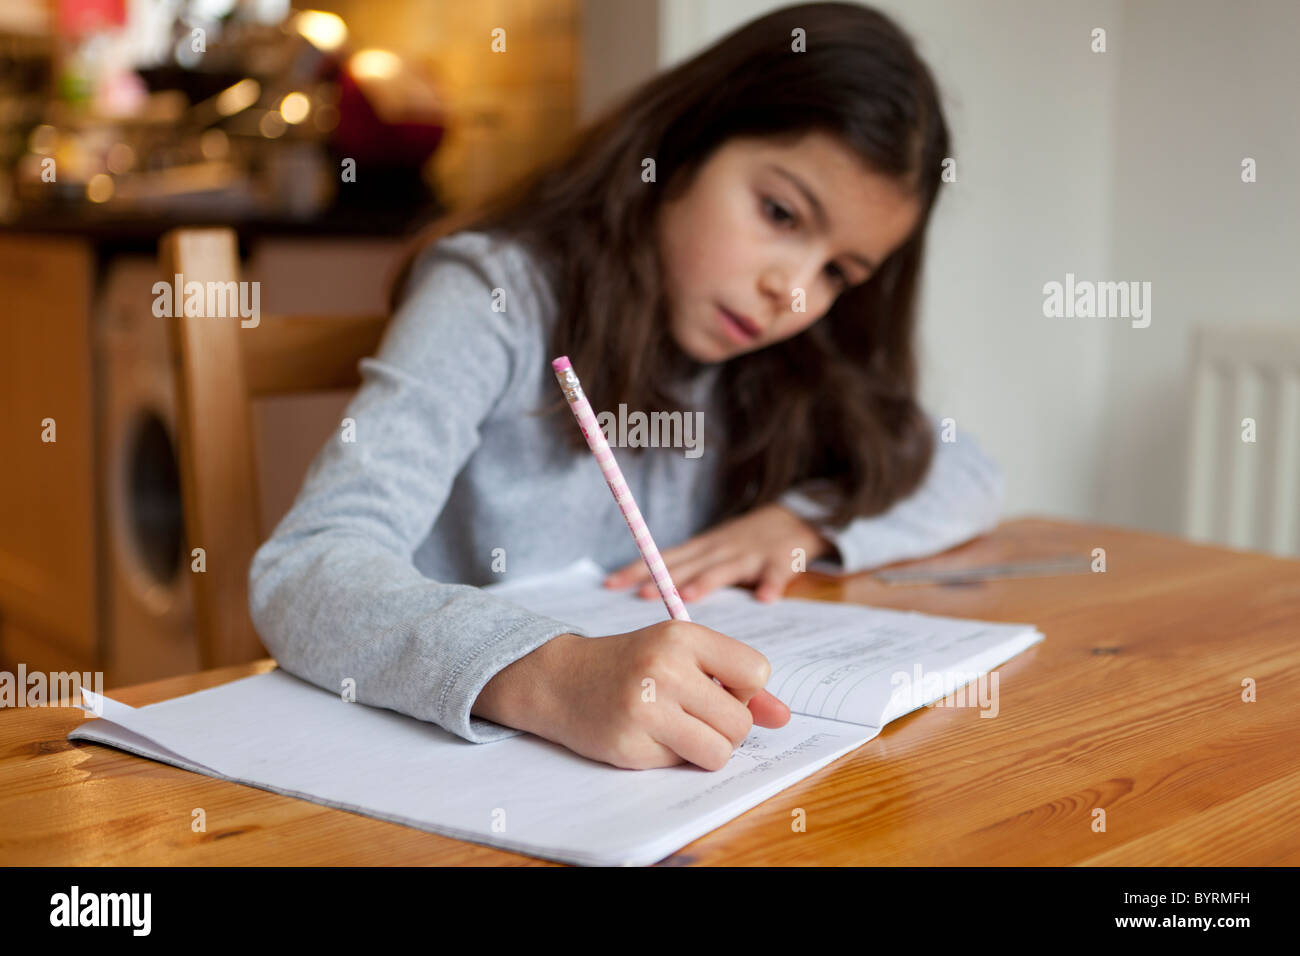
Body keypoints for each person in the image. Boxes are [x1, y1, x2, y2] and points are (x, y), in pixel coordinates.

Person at [249, 2, 1003, 773]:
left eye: (839, 272)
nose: (795, 291)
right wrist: (551, 675)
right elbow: (308, 567)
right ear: (683, 147)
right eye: (780, 213)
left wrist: (800, 524)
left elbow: (966, 468)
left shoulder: (784, 359)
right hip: (447, 781)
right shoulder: (495, 296)